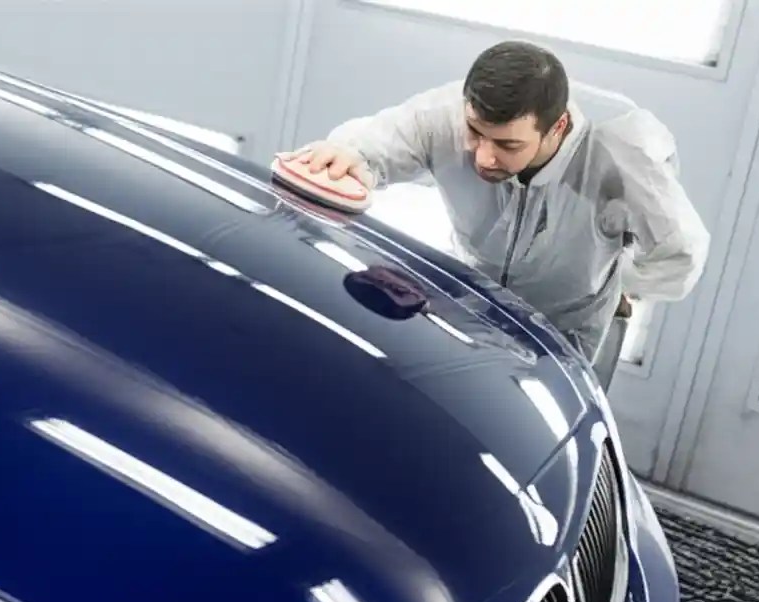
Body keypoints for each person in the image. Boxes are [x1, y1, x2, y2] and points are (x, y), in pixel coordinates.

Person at [277, 40, 711, 362]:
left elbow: (682, 251)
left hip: (566, 335)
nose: (483, 156)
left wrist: (624, 282)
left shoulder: (620, 152)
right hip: (467, 301)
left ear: (557, 127)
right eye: (475, 132)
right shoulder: (450, 111)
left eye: (507, 144)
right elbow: (371, 145)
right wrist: (348, 156)